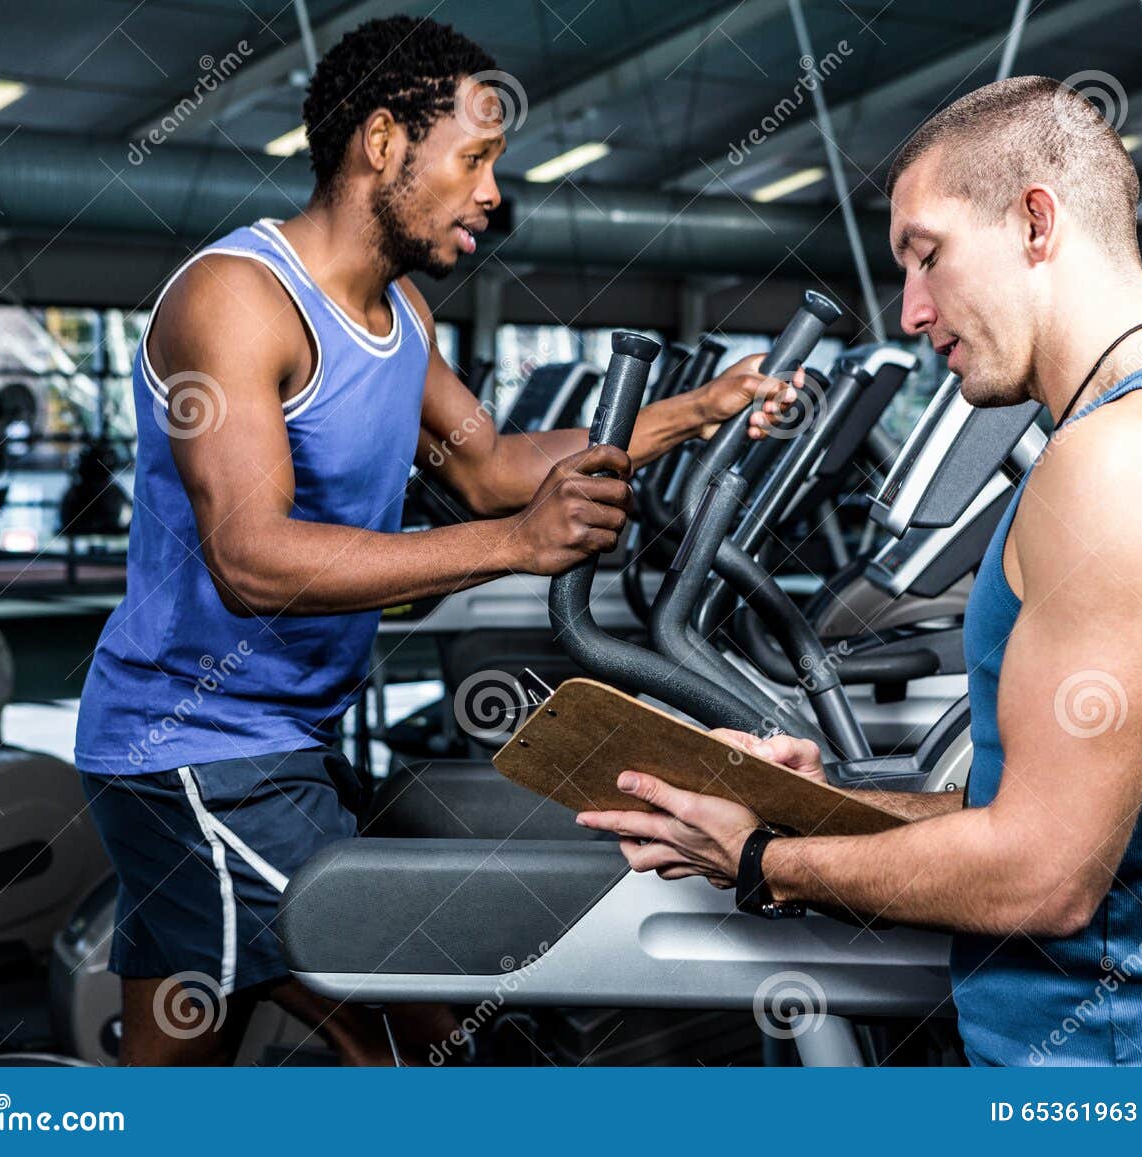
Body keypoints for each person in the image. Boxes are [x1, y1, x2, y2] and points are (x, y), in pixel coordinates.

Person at [73, 15, 800, 1066]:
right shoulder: (237, 298)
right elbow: (253, 557)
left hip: (276, 745)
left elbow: (490, 464)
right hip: (193, 748)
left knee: (180, 1049)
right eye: (475, 158)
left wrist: (702, 408)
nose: (493, 191)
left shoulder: (397, 312)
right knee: (427, 1030)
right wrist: (515, 544)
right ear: (382, 142)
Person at [576, 76, 1142, 1067]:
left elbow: (1041, 877)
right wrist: (821, 800)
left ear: (1034, 222)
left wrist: (761, 859)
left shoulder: (1118, 463)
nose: (911, 309)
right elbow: (1034, 818)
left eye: (926, 255)